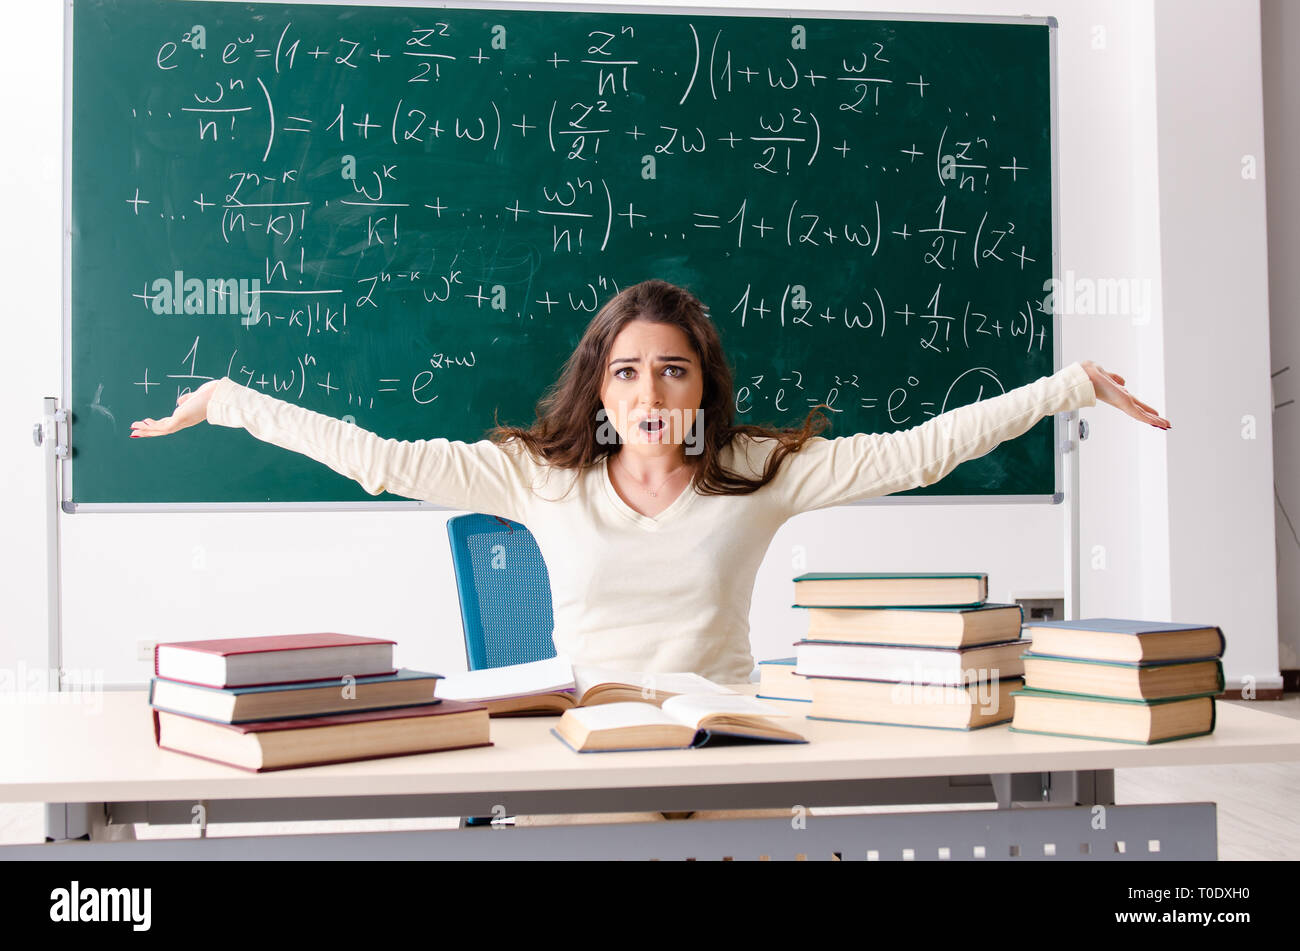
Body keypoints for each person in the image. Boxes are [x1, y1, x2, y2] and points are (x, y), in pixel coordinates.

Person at [131, 279, 1169, 824]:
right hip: (588, 749)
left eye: (672, 373)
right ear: (600, 388)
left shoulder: (757, 471)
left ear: (701, 388)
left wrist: (1067, 385)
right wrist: (230, 402)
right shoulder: (538, 475)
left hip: (730, 745)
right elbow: (377, 460)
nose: (650, 396)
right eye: (627, 373)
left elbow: (917, 452)